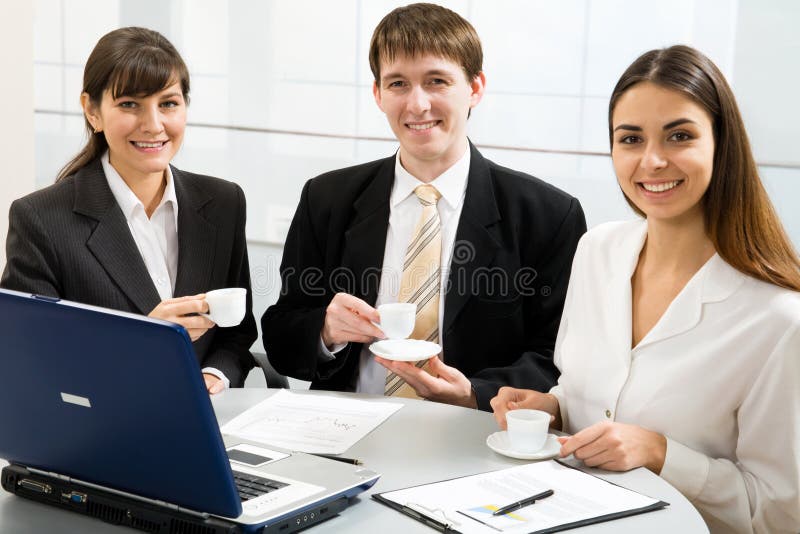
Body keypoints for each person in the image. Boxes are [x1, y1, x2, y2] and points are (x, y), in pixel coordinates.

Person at [490, 45, 800, 533]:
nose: (652, 160)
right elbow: (581, 391)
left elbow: (780, 515)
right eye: (631, 139)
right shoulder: (596, 251)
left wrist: (661, 453)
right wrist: (552, 408)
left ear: (722, 145)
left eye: (679, 136)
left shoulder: (778, 320)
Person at [262, 3, 586, 411]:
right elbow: (281, 338)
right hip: (347, 425)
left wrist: (475, 394)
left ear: (475, 87)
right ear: (378, 94)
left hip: (475, 431)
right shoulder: (326, 198)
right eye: (398, 84)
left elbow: (559, 358)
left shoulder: (548, 216)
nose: (417, 105)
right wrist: (325, 330)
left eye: (436, 81)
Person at [1, 27, 257, 393]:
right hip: (101, 421)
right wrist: (143, 341)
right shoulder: (41, 219)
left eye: (168, 104)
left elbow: (237, 333)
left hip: (204, 415)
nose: (153, 125)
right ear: (92, 111)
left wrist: (214, 375)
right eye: (129, 104)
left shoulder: (223, 203)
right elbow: (32, 359)